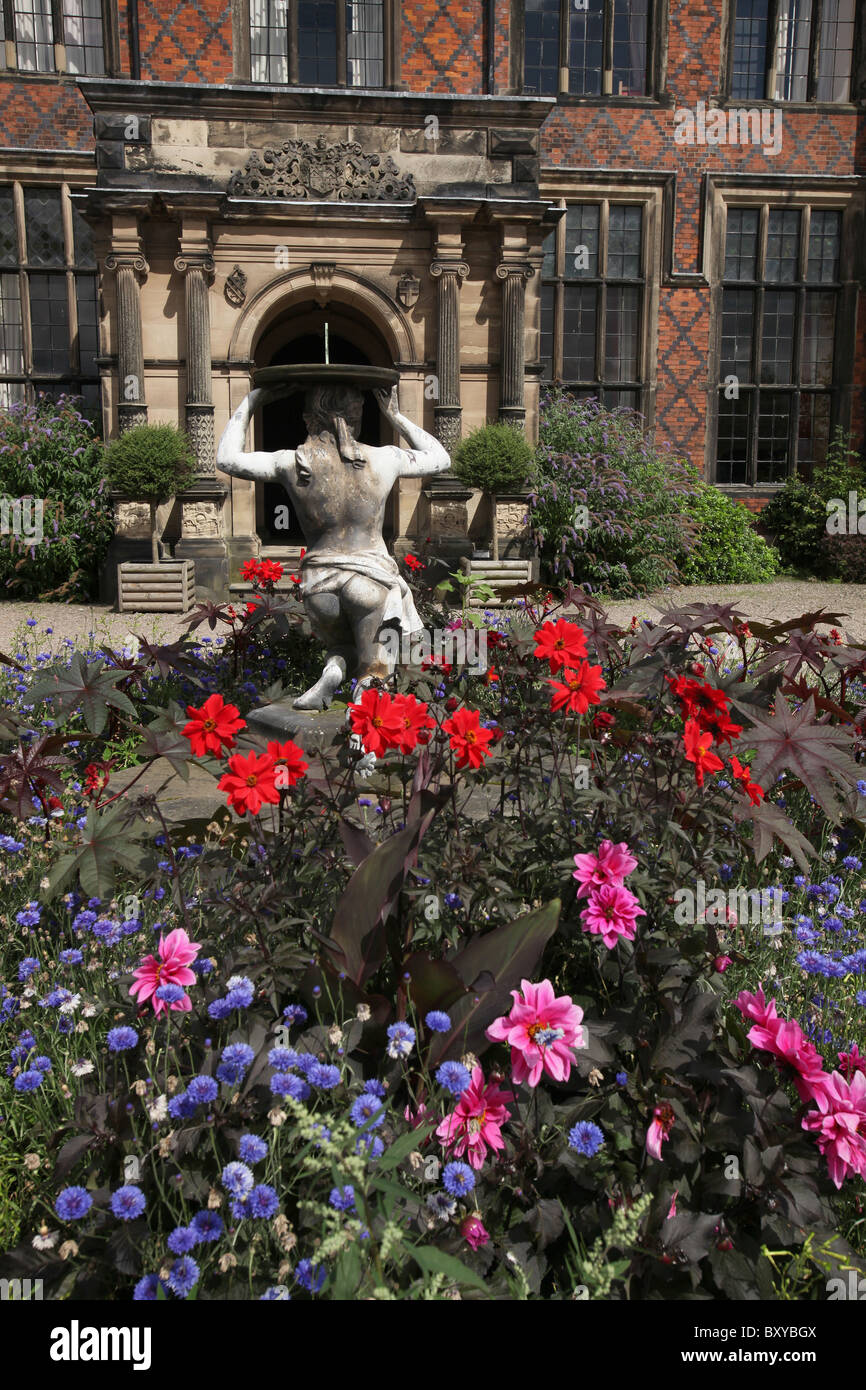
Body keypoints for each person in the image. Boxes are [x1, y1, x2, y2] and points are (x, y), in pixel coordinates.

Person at [216, 380, 449, 709]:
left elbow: (227, 459)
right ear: (356, 418)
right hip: (371, 581)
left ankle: (333, 672)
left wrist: (252, 401)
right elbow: (440, 459)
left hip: (319, 584)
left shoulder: (291, 462)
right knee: (376, 671)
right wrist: (396, 417)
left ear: (310, 418)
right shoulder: (384, 458)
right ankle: (363, 749)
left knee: (343, 645)